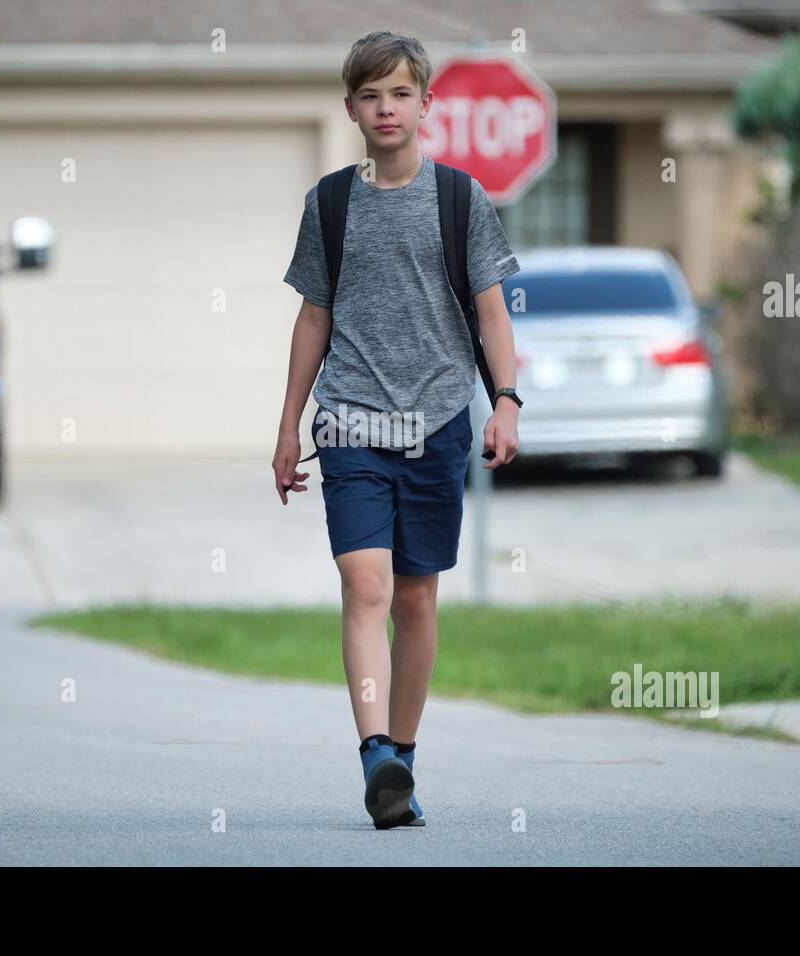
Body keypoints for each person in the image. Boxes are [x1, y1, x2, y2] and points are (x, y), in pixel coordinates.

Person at [271, 30, 522, 829]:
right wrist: (287, 428)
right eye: (371, 95)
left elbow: (490, 310)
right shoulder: (331, 203)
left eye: (401, 93)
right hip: (349, 421)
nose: (386, 108)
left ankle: (400, 766)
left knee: (414, 599)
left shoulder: (460, 199)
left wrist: (508, 400)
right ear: (351, 108)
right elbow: (314, 317)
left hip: (440, 419)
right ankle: (374, 749)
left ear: (425, 104)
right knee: (365, 584)